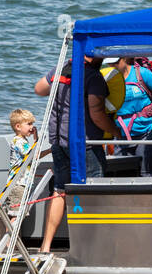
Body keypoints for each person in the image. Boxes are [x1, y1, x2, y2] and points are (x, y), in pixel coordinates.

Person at [34, 54, 114, 252]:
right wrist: (117, 132)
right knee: (92, 192)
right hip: (84, 144)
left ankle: (45, 246)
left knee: (60, 191)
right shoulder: (93, 77)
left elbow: (39, 89)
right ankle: (90, 247)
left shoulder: (61, 71)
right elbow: (97, 115)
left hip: (59, 141)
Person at [8, 108, 38, 185]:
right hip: (18, 183)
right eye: (29, 124)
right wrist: (50, 150)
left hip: (22, 183)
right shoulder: (19, 141)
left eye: (32, 124)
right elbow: (34, 155)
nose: (32, 127)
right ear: (18, 127)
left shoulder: (22, 141)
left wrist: (36, 138)